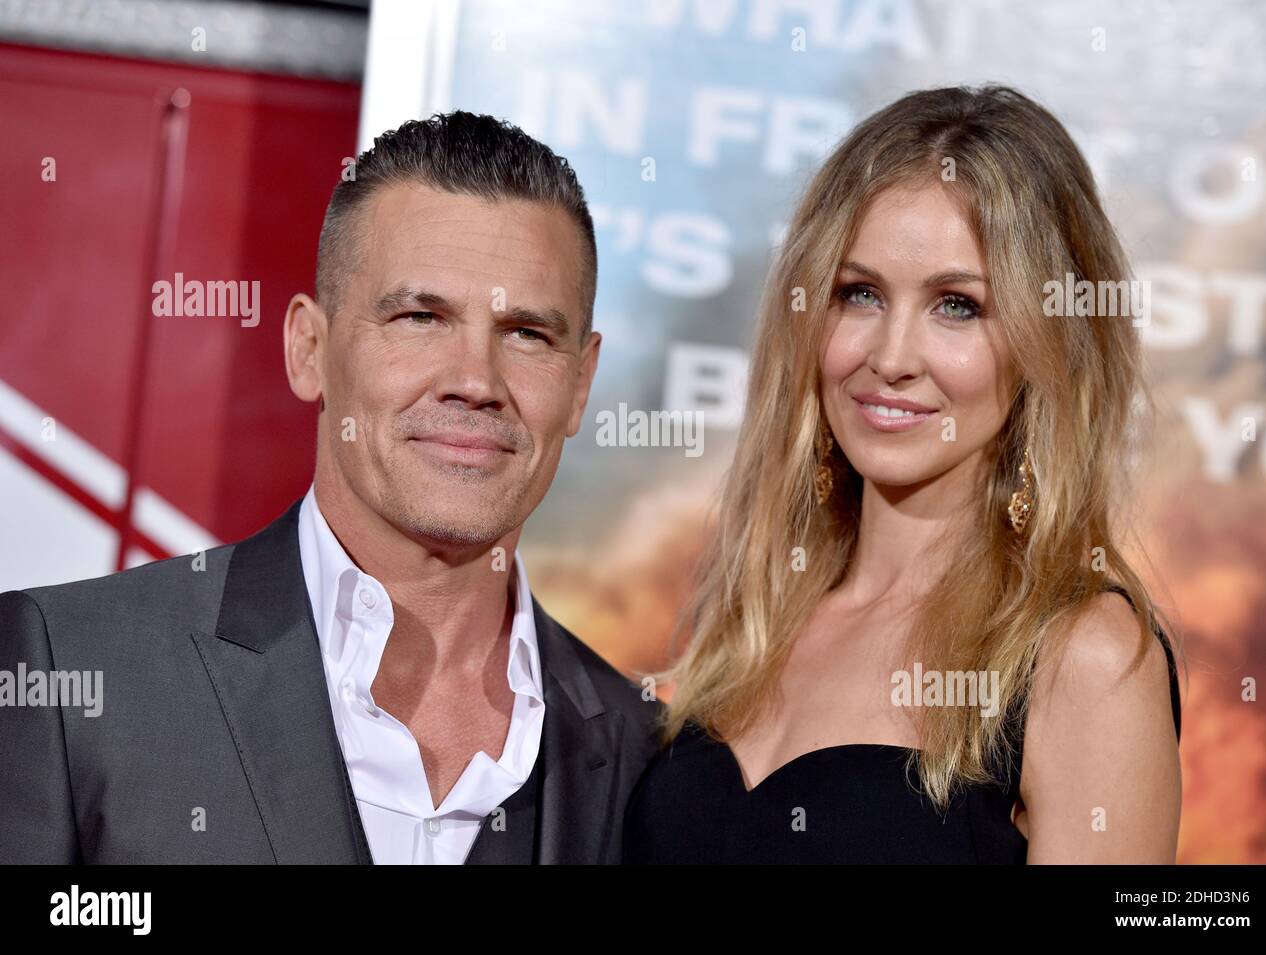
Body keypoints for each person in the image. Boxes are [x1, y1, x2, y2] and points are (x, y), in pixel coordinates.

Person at [0, 111, 660, 864]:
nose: (476, 381)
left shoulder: (651, 760)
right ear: (309, 349)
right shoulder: (68, 673)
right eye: (420, 316)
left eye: (528, 334)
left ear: (581, 383)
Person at [623, 85, 1183, 864]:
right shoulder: (760, 612)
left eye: (957, 305)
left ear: (1045, 344)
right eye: (860, 294)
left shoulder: (1081, 657)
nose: (888, 358)